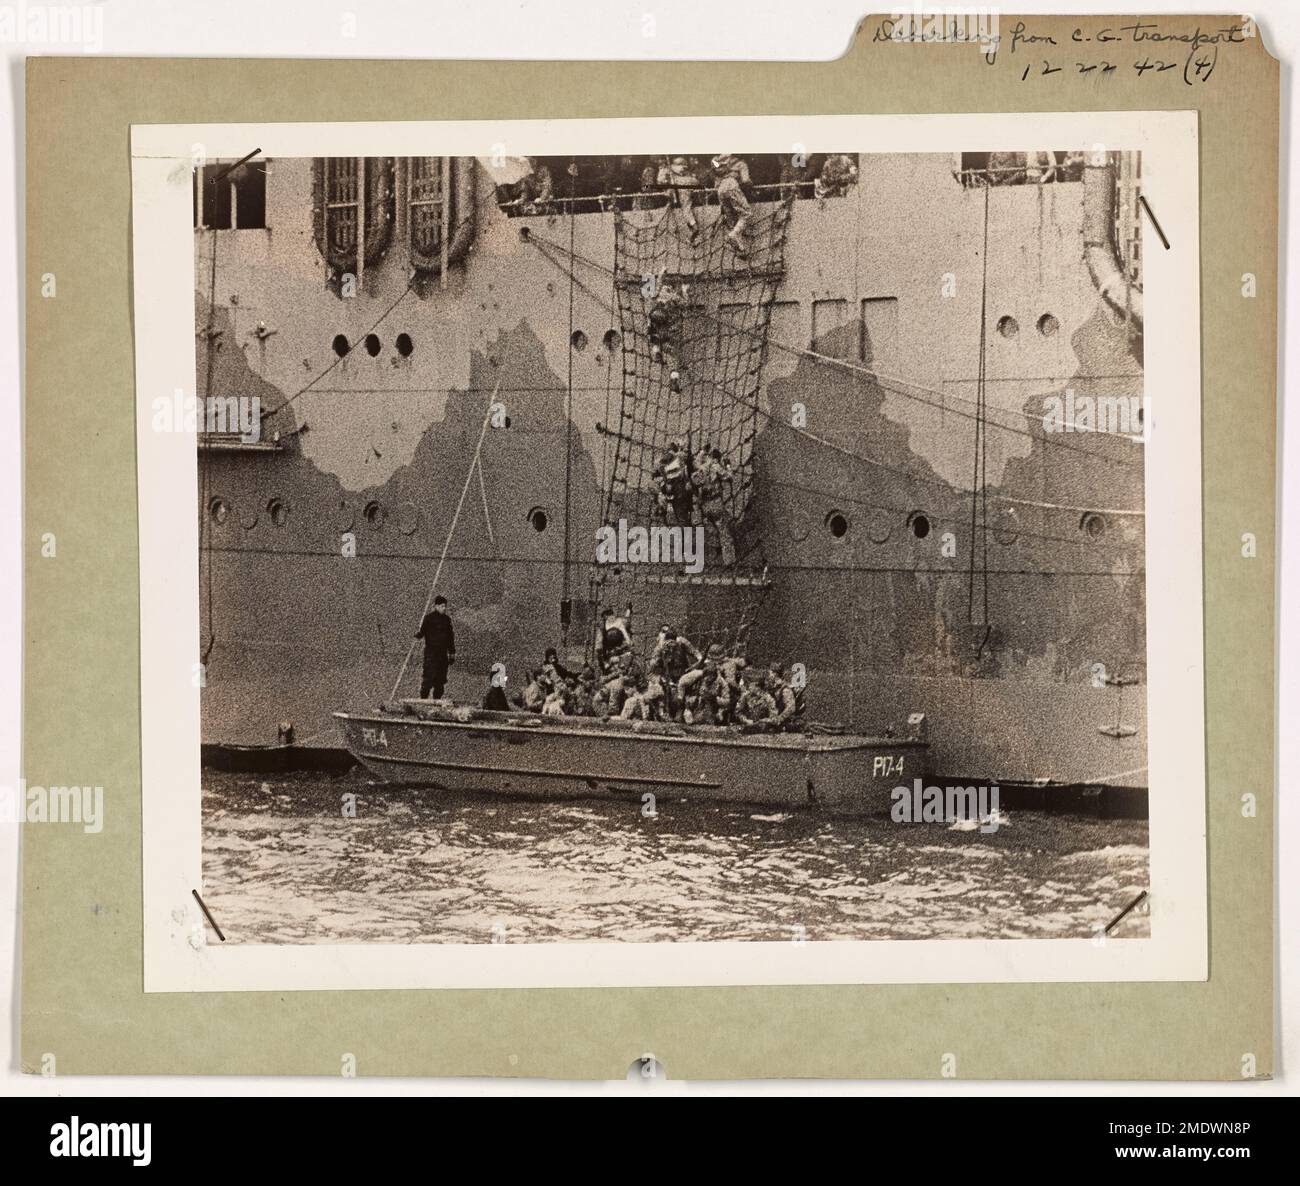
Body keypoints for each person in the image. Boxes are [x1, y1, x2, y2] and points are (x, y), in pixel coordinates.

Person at [692, 446, 736, 566]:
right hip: (716, 503)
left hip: (704, 506)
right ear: (718, 458)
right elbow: (729, 477)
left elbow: (696, 461)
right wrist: (727, 465)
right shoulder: (716, 467)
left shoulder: (700, 466)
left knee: (709, 526)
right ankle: (729, 561)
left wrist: (702, 451)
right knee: (723, 530)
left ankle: (715, 546)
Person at [711, 154, 753, 256]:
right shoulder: (740, 163)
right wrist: (751, 186)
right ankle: (733, 235)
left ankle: (741, 250)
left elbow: (715, 179)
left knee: (732, 221)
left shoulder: (718, 161)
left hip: (720, 190)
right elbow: (746, 180)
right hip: (732, 186)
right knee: (746, 213)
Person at [415, 594, 455, 699]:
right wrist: (418, 635)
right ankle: (423, 700)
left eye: (445, 606)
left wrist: (452, 653)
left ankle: (436, 701)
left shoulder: (447, 620)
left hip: (442, 654)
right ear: (436, 606)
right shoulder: (428, 618)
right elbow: (422, 632)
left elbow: (450, 638)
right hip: (431, 653)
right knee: (428, 677)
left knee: (440, 680)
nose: (444, 608)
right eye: (442, 606)